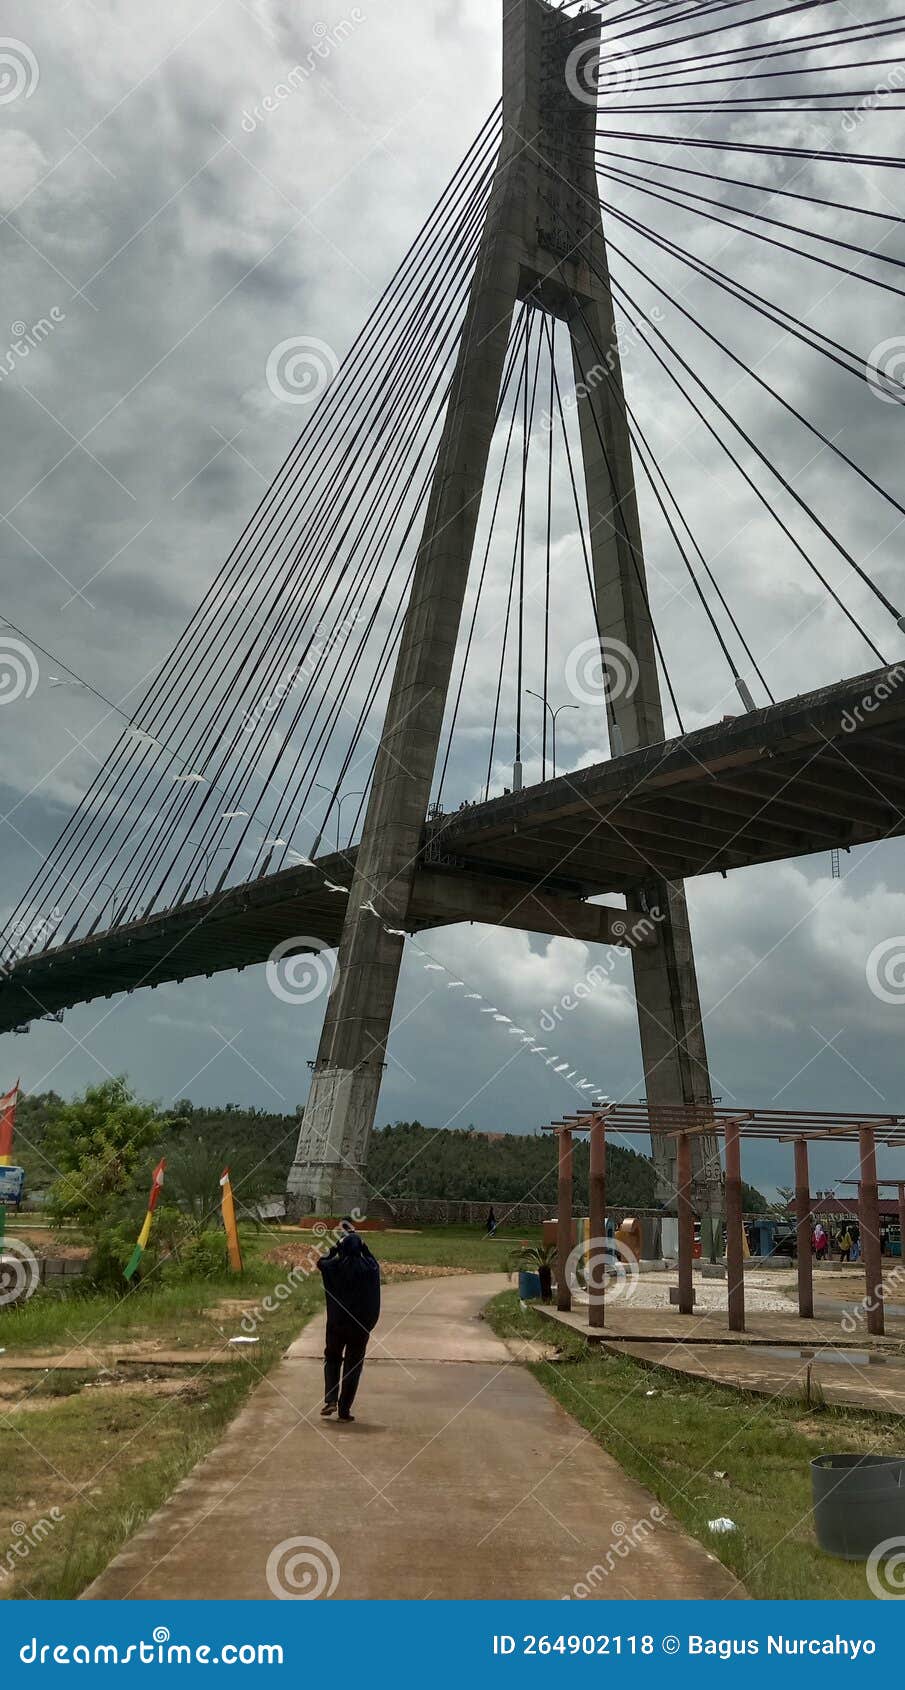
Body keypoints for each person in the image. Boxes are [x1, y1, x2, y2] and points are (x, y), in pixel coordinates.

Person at [317, 1220, 381, 1423]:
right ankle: (344, 1410)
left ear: (342, 1249)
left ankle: (330, 1399)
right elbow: (374, 1262)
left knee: (333, 1358)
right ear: (360, 1249)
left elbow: (320, 1262)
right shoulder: (369, 1269)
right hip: (360, 1328)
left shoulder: (333, 1268)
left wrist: (334, 1248)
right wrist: (365, 1248)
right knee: (353, 1366)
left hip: (336, 1325)